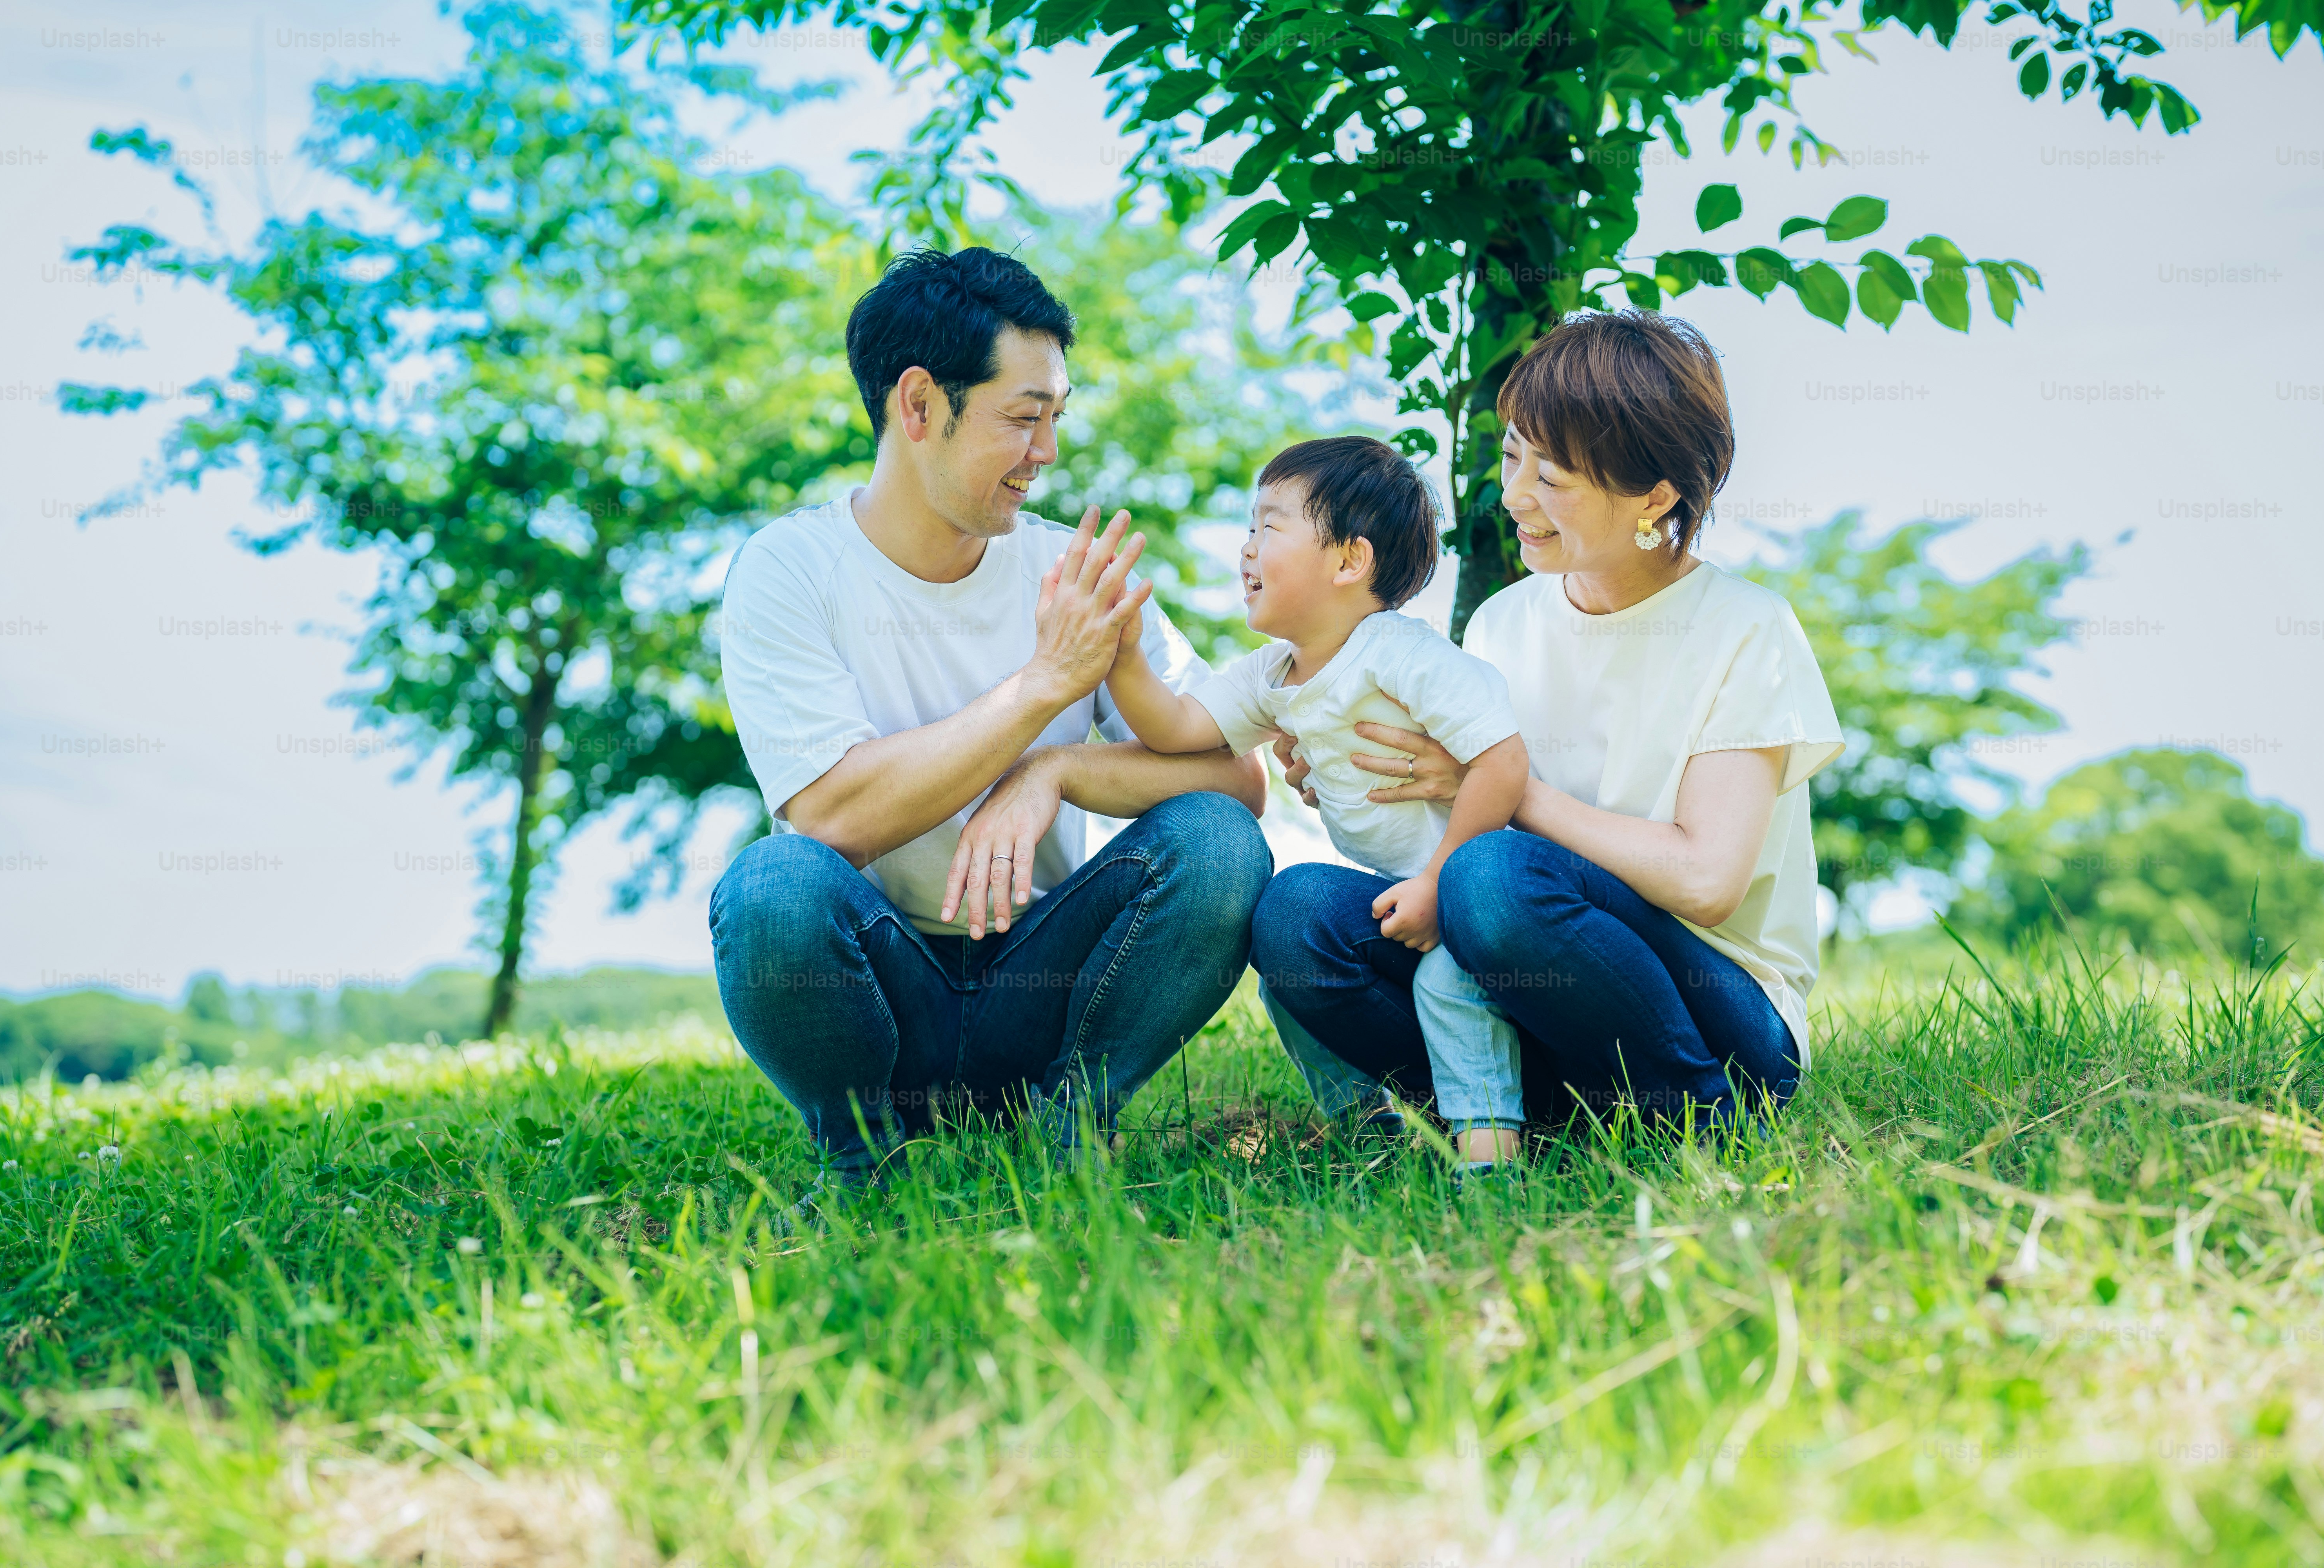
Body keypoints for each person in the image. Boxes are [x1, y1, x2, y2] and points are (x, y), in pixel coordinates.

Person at [708, 248, 1269, 1212]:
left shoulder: (1072, 572)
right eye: (1023, 417)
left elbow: (1237, 787)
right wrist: (1042, 687)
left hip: (1046, 979)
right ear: (917, 406)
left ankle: (1071, 1123)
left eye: (1058, 417)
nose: (1047, 451)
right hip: (882, 985)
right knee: (771, 882)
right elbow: (832, 814)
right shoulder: (788, 569)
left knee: (1217, 846)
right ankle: (861, 1161)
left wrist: (1054, 770)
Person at [1257, 310, 1844, 1150]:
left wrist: (1508, 792)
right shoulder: (1501, 623)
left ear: (1656, 496)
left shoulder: (1746, 628)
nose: (1516, 494)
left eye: (1555, 476)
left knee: (1494, 877)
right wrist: (1355, 765)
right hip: (1534, 990)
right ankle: (1505, 1114)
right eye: (1511, 455)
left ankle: (1703, 1113)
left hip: (1723, 1014)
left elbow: (1707, 879)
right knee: (1299, 907)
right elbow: (1451, 827)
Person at [1101, 436, 1531, 1167]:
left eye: (1269, 528)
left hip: (1481, 883)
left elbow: (1502, 757)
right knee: (1285, 981)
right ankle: (1368, 1133)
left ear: (1348, 561)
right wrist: (1122, 653)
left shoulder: (1400, 653)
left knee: (1451, 987)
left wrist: (1440, 880)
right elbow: (1178, 730)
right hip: (1403, 889)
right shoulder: (1274, 673)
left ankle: (1492, 1164)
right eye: (1248, 528)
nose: (1245, 550)